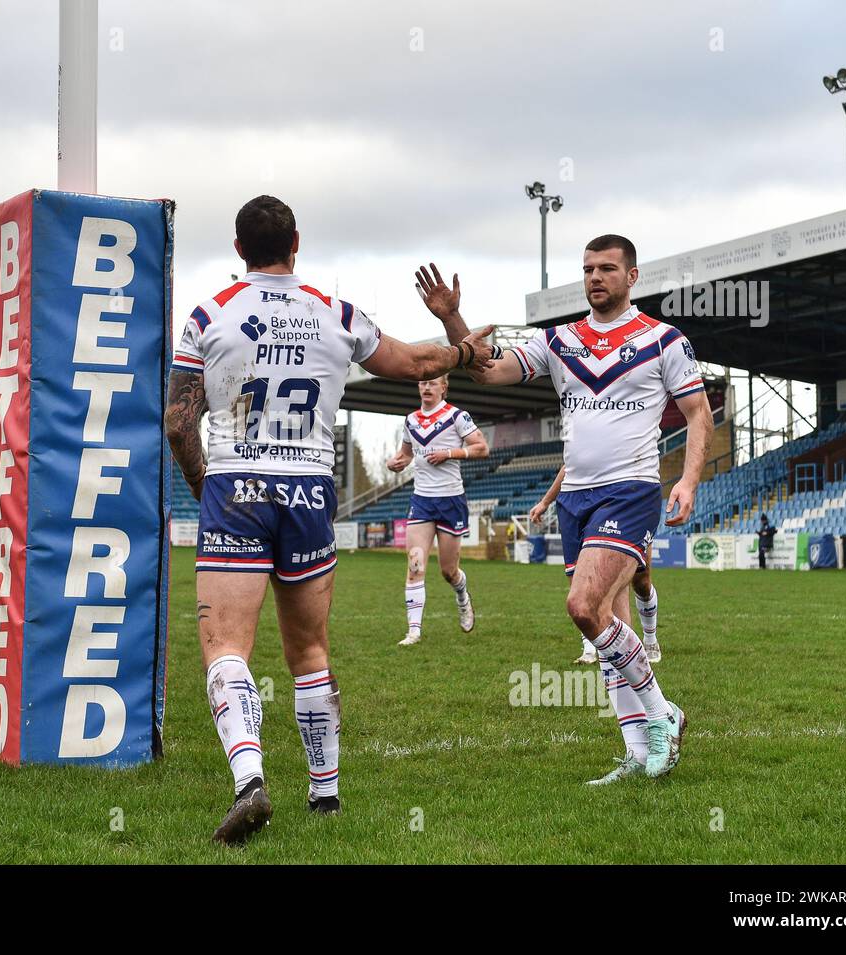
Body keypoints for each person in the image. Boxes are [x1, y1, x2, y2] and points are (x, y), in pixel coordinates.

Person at [165, 195, 493, 844]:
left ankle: (251, 779)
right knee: (309, 649)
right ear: (297, 243)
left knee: (227, 646)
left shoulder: (209, 314)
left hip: (239, 487)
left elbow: (179, 421)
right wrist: (460, 347)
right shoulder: (334, 312)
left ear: (238, 250)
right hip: (310, 490)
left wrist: (204, 483)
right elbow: (418, 363)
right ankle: (326, 792)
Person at [416, 236, 713, 783]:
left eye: (606, 268)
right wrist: (455, 320)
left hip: (630, 491)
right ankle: (637, 751)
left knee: (583, 607)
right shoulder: (560, 340)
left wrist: (689, 481)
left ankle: (662, 714)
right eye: (588, 270)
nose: (595, 277)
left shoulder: (664, 340)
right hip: (575, 497)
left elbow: (698, 414)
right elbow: (489, 369)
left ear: (632, 276)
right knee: (610, 626)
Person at [384, 375, 489, 646]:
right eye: (422, 383)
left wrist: (450, 453)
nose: (427, 387)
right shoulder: (410, 420)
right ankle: (414, 631)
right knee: (415, 563)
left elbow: (481, 448)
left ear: (444, 387)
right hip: (422, 500)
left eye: (433, 383)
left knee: (448, 570)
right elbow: (405, 455)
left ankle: (462, 596)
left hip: (451, 500)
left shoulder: (457, 416)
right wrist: (396, 463)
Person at [531, 465, 661, 664]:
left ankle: (649, 639)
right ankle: (590, 647)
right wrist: (545, 501)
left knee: (640, 582)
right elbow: (569, 462)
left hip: (621, 492)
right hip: (574, 498)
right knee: (576, 577)